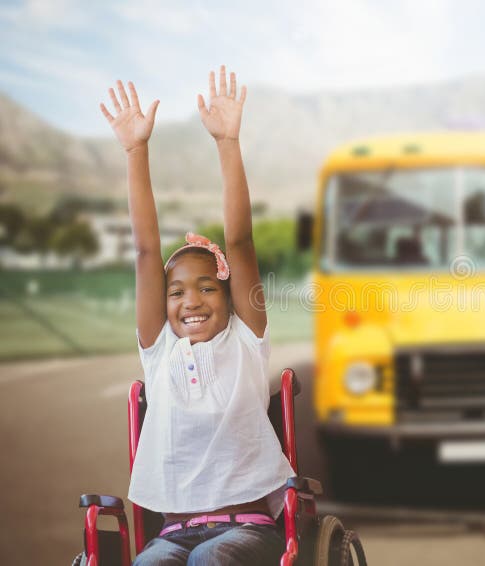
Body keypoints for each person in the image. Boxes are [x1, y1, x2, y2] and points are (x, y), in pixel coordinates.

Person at [100, 66, 294, 565]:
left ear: (231, 297)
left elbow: (241, 242)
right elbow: (146, 251)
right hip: (172, 534)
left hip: (247, 529)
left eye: (208, 287)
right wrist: (134, 151)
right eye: (178, 291)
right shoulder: (160, 349)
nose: (191, 300)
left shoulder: (246, 341)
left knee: (210, 561)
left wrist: (228, 142)